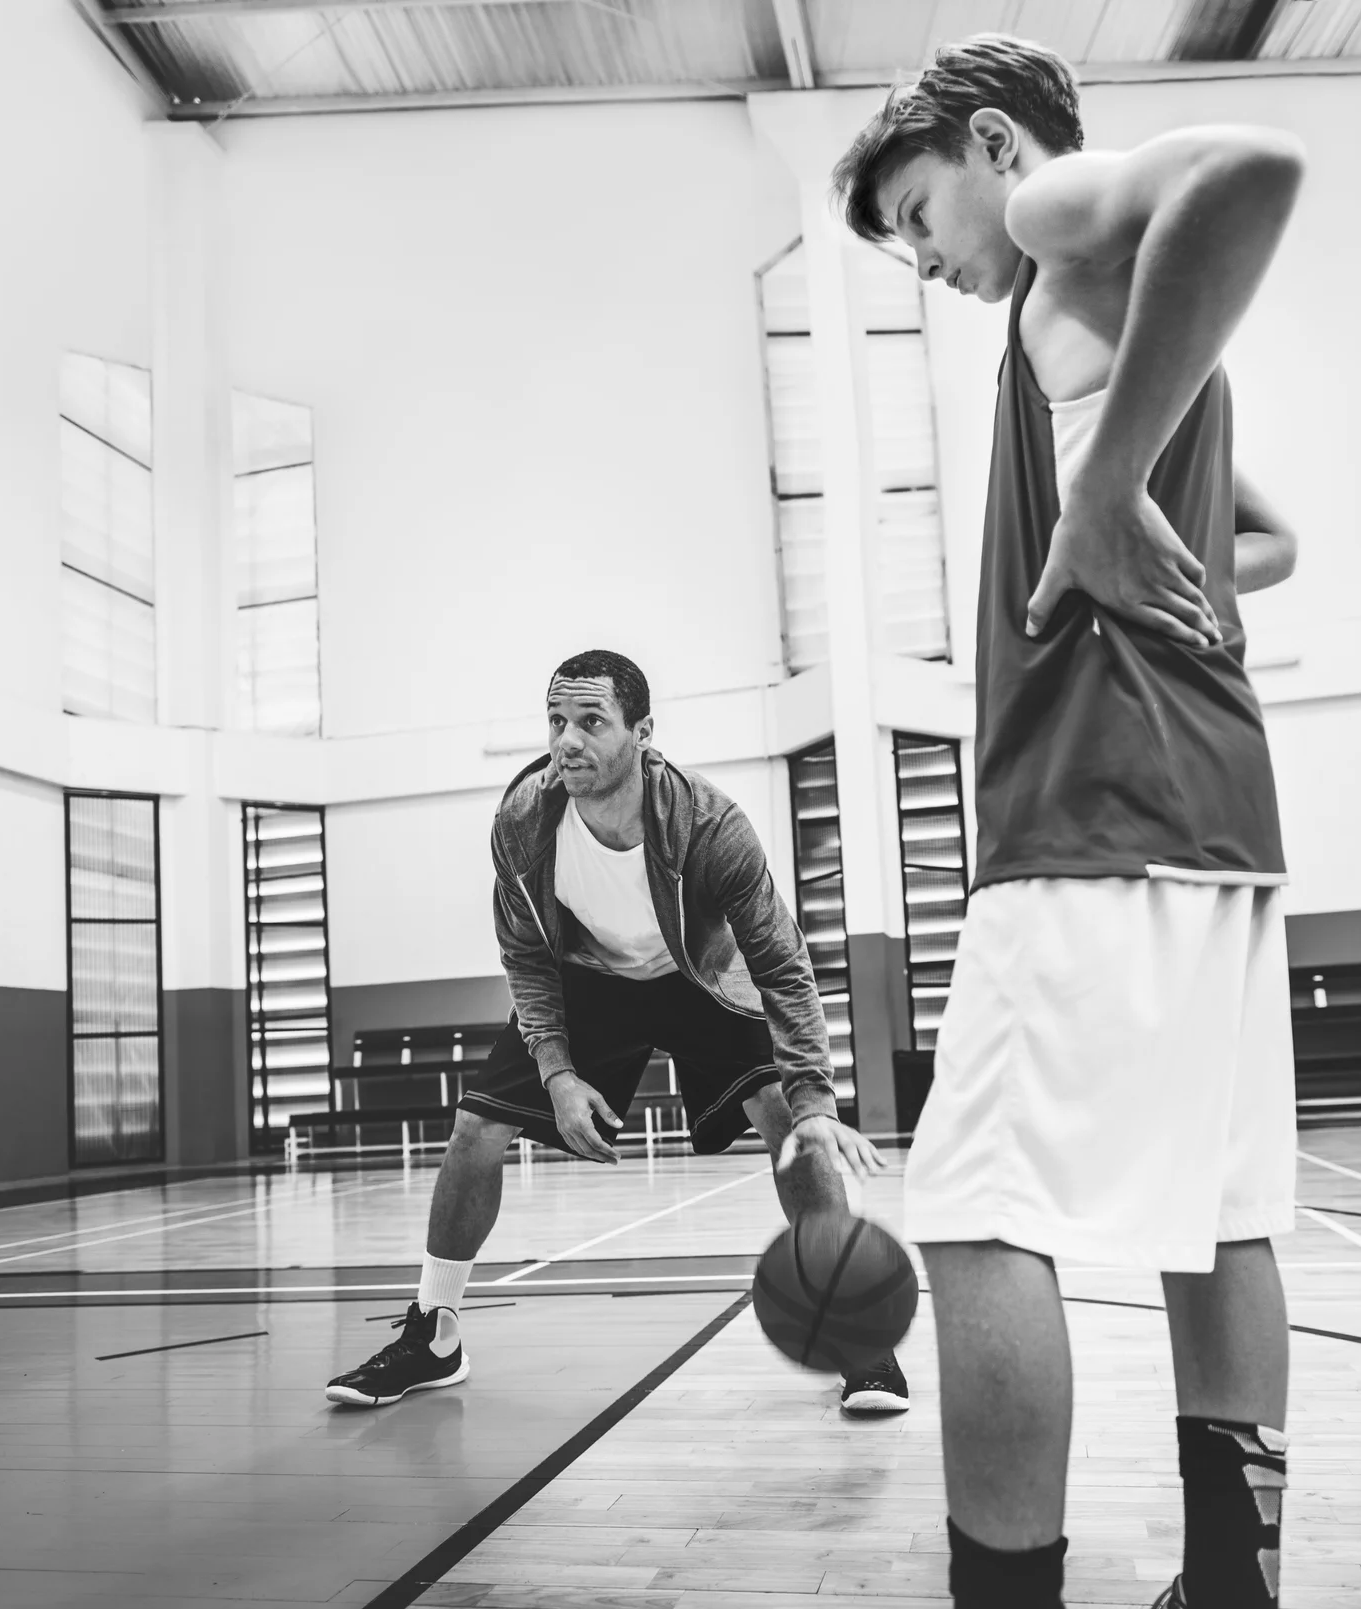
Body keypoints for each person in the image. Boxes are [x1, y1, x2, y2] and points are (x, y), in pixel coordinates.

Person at [833, 35, 1304, 1609]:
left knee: (970, 1213)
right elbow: (1267, 535)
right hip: (1220, 812)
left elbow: (1249, 171)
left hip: (1096, 809)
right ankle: (1230, 1591)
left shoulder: (1051, 236)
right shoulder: (1123, 328)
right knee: (1216, 1216)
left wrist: (1100, 488)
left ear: (988, 145)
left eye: (914, 212)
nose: (919, 256)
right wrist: (1128, 488)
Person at [324, 649, 910, 1416]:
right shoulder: (522, 821)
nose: (567, 739)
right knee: (476, 1126)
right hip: (591, 978)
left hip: (698, 974)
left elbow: (783, 966)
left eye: (591, 721)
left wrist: (815, 1101)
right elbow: (527, 957)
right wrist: (559, 1073)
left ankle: (856, 1331)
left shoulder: (709, 823)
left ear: (642, 733)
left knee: (784, 1120)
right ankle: (432, 1335)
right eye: (557, 720)